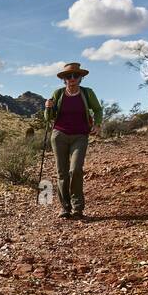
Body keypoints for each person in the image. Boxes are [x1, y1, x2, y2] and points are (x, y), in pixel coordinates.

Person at [43, 63, 103, 219]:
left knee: (75, 170)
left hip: (80, 136)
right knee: (62, 172)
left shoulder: (87, 93)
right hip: (59, 135)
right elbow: (48, 118)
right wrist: (47, 107)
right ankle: (65, 208)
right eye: (68, 76)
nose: (72, 79)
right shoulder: (58, 94)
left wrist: (97, 124)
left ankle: (78, 207)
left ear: (80, 78)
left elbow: (98, 109)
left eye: (75, 76)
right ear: (64, 79)